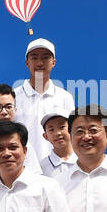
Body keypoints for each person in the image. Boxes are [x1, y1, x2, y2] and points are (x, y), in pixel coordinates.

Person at [14, 38, 74, 166]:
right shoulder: (14, 97)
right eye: (34, 58)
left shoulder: (65, 97)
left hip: (58, 168)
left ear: (53, 62)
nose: (40, 63)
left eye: (45, 57)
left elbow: (71, 136)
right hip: (23, 168)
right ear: (26, 62)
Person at [40, 111, 76, 182]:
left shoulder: (84, 160)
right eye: (51, 129)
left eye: (62, 127)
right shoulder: (41, 167)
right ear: (46, 136)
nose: (57, 133)